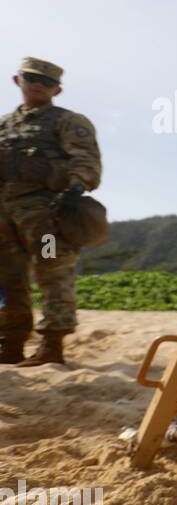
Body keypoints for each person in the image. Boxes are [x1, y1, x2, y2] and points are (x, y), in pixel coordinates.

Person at [0, 58, 102, 367]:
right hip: (5, 217)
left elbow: (86, 159)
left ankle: (51, 345)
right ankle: (11, 343)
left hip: (47, 215)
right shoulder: (4, 125)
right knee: (8, 278)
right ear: (17, 80)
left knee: (53, 272)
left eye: (45, 82)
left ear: (57, 89)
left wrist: (75, 189)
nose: (38, 84)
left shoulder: (68, 121)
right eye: (31, 77)